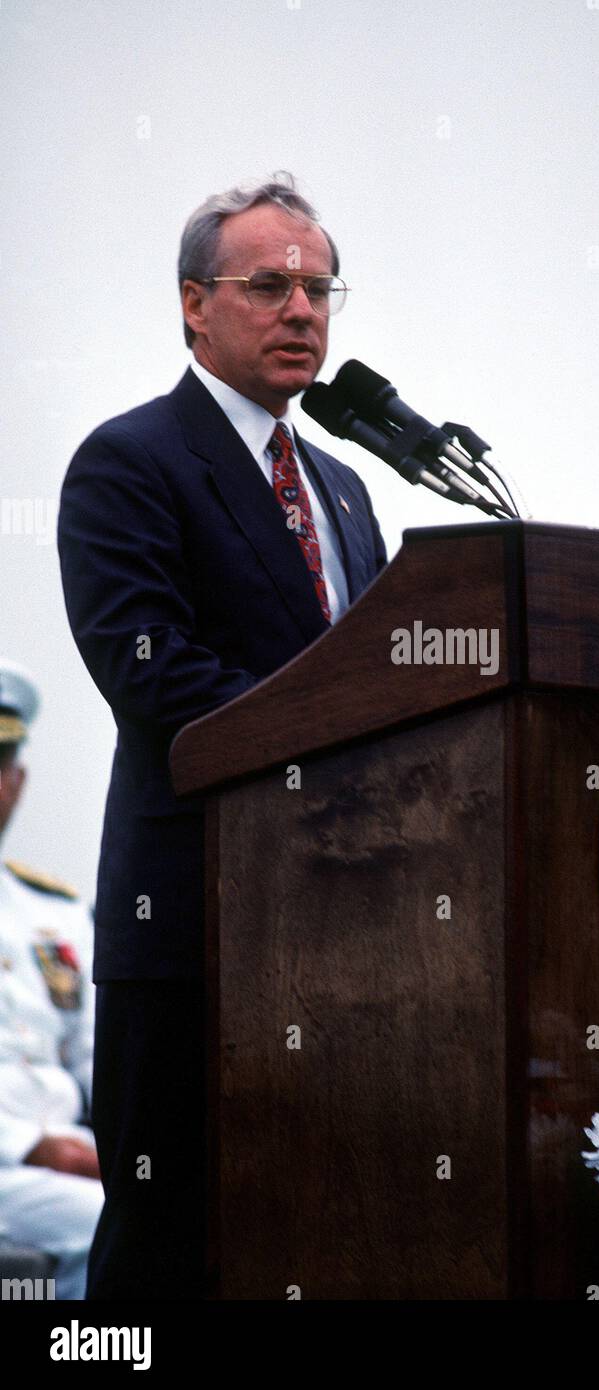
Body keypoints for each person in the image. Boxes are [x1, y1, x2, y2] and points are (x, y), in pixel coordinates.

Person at [57, 173, 387, 1299]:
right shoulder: (130, 461)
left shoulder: (343, 488)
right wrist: (342, 738)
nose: (301, 310)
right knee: (166, 1243)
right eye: (268, 286)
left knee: (313, 1227)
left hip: (348, 932)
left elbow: (388, 674)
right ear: (194, 303)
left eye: (317, 288)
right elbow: (153, 674)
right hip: (194, 919)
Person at [0, 661, 103, 1299]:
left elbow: (102, 1059)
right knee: (110, 1225)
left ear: (18, 781)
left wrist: (136, 1146)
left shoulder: (56, 914)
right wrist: (35, 1146)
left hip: (70, 1157)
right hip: (17, 1162)